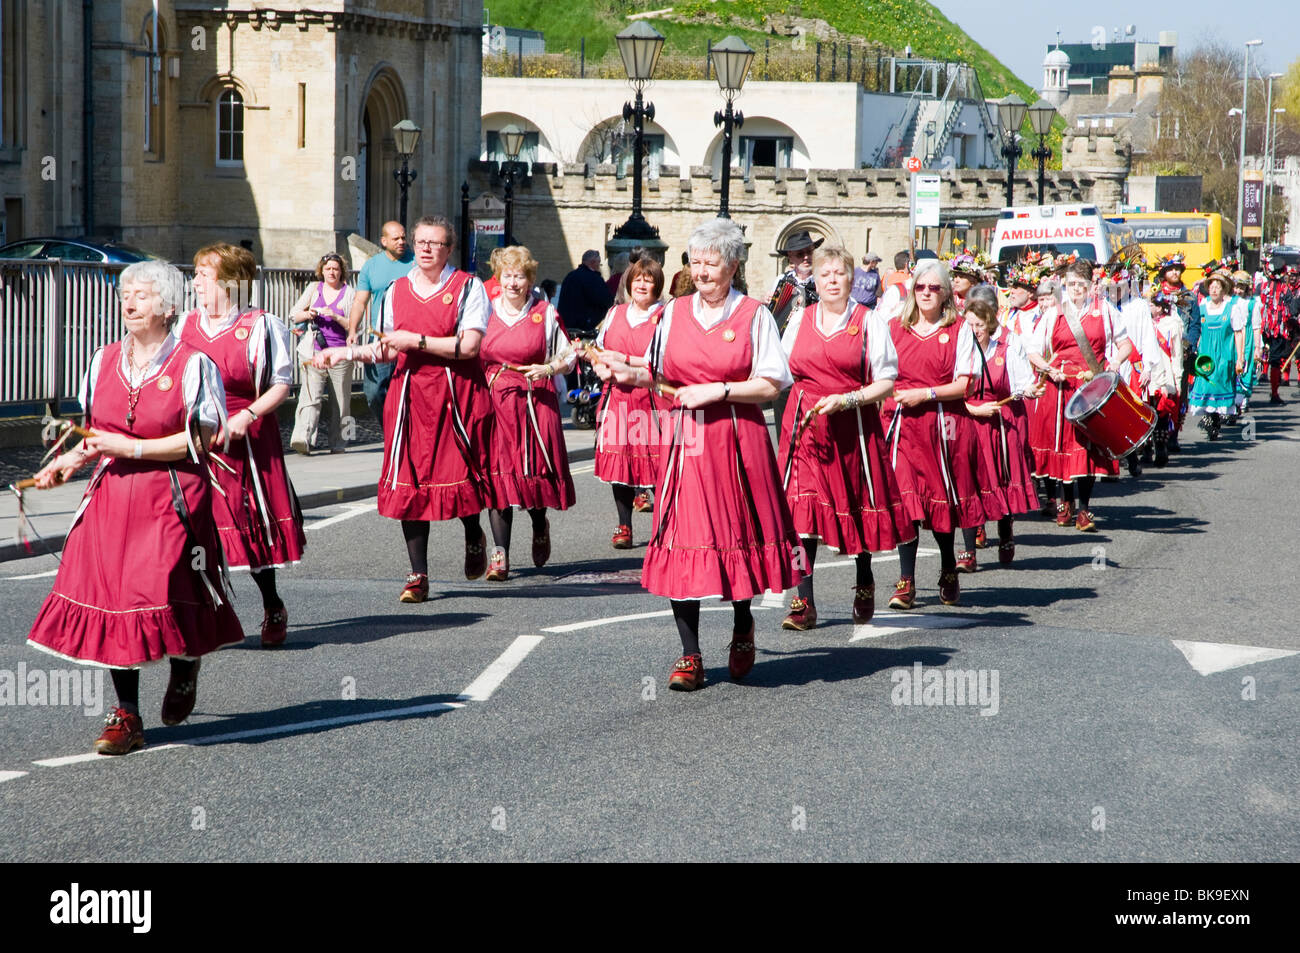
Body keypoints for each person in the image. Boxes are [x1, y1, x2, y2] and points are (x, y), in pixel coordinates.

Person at [27, 261, 240, 755]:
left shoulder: (193, 365)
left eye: (142, 296)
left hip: (171, 496)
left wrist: (133, 449)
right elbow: (94, 433)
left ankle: (185, 666)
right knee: (116, 599)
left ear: (167, 307)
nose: (130, 303)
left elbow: (202, 440)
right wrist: (67, 463)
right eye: (127, 295)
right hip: (110, 497)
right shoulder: (102, 360)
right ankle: (127, 715)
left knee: (165, 587)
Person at [604, 219, 803, 692]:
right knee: (681, 539)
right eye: (696, 261)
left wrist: (721, 389)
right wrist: (626, 371)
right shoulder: (672, 312)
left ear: (733, 265)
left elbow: (773, 383)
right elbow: (653, 372)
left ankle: (741, 624)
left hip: (737, 439)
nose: (703, 270)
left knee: (737, 536)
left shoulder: (754, 315)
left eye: (712, 263)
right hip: (685, 442)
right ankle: (690, 654)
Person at [316, 216, 492, 602]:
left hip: (454, 395)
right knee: (409, 484)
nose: (427, 248)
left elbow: (469, 347)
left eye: (436, 243)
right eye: (421, 241)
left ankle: (472, 532)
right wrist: (343, 351)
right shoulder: (396, 290)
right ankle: (418, 574)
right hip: (409, 395)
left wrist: (418, 339)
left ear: (449, 249)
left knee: (459, 475)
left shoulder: (468, 287)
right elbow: (388, 348)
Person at [178, 243, 305, 647]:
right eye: (195, 273)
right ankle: (205, 619)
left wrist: (245, 417)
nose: (195, 281)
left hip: (246, 441)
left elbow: (281, 384)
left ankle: (271, 603)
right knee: (192, 534)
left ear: (231, 281)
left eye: (204, 274)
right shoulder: (183, 325)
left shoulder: (262, 325)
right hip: (195, 443)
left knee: (247, 530)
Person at [777, 245, 909, 629]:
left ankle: (864, 578)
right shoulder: (800, 319)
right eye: (825, 274)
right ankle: (804, 600)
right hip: (804, 427)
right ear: (815, 280)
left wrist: (847, 399)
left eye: (839, 273)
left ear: (852, 279)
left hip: (853, 427)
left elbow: (886, 382)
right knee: (801, 517)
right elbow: (781, 373)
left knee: (855, 507)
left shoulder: (869, 321)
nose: (832, 280)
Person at [880, 259, 983, 609]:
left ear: (945, 294)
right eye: (920, 287)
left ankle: (946, 567)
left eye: (933, 288)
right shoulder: (894, 327)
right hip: (901, 427)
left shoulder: (958, 329)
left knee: (940, 504)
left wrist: (924, 394)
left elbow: (965, 384)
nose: (926, 293)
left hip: (943, 427)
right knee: (905, 502)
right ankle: (906, 580)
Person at [480, 246, 577, 581]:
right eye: (507, 275)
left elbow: (569, 355)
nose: (512, 282)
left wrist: (549, 367)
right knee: (499, 481)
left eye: (519, 275)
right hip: (496, 405)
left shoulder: (545, 313)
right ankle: (499, 556)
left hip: (535, 402)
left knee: (532, 478)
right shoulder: (485, 311)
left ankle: (539, 524)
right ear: (499, 277)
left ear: (529, 279)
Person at [1024, 258, 1134, 531]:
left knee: (1086, 448)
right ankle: (1065, 503)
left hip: (1091, 386)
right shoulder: (1054, 313)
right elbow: (1033, 351)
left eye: (1080, 285)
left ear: (1091, 286)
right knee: (1060, 445)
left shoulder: (1105, 310)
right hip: (1059, 386)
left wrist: (1113, 364)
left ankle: (1084, 510)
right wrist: (1050, 369)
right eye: (1071, 284)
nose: (1075, 289)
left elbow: (1125, 345)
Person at [957, 285, 1041, 571]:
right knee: (969, 485)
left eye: (979, 325)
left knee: (1001, 481)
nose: (974, 330)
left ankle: (1005, 533)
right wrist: (972, 409)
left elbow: (1021, 383)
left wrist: (1029, 390)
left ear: (990, 324)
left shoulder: (1005, 347)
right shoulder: (960, 352)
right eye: (969, 325)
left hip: (998, 427)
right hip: (968, 423)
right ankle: (968, 552)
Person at [590, 256, 668, 548]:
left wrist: (623, 359)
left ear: (657, 285)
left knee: (658, 463)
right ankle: (624, 525)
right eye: (637, 279)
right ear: (629, 283)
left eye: (648, 280)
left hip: (651, 397)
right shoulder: (614, 314)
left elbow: (662, 359)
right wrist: (599, 365)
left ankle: (663, 525)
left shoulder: (665, 315)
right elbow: (599, 349)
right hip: (618, 397)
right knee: (619, 464)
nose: (642, 284)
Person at [347, 221, 413, 436]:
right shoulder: (372, 265)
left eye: (403, 237)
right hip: (380, 339)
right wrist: (352, 330)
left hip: (409, 339)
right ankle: (392, 431)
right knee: (374, 392)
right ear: (384, 241)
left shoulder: (416, 263)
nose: (402, 242)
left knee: (409, 392)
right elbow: (360, 301)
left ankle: (407, 434)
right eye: (396, 238)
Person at [289, 252, 355, 455]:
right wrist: (310, 313)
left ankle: (340, 443)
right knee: (310, 396)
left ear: (341, 271)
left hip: (340, 354)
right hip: (313, 352)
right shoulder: (313, 289)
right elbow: (294, 314)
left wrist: (335, 315)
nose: (332, 272)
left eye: (335, 269)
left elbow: (355, 326)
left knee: (342, 402)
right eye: (328, 269)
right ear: (322, 271)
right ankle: (303, 439)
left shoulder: (350, 293)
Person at [1187, 271, 1246, 439]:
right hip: (1206, 356)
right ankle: (1210, 418)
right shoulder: (1203, 307)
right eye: (1211, 287)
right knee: (1205, 386)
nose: (1213, 290)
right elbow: (1197, 329)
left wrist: (1240, 358)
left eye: (1217, 287)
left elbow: (1239, 333)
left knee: (1219, 385)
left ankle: (1216, 419)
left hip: (1224, 356)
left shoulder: (1231, 309)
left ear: (1223, 290)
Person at [767, 230, 822, 332]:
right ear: (790, 256)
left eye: (809, 252)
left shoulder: (822, 280)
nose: (806, 257)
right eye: (800, 254)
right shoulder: (782, 279)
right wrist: (766, 302)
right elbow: (772, 313)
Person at [558, 249, 615, 337]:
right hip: (585, 328)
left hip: (565, 326)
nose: (599, 266)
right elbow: (606, 300)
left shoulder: (570, 275)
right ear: (592, 262)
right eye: (599, 263)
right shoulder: (593, 278)